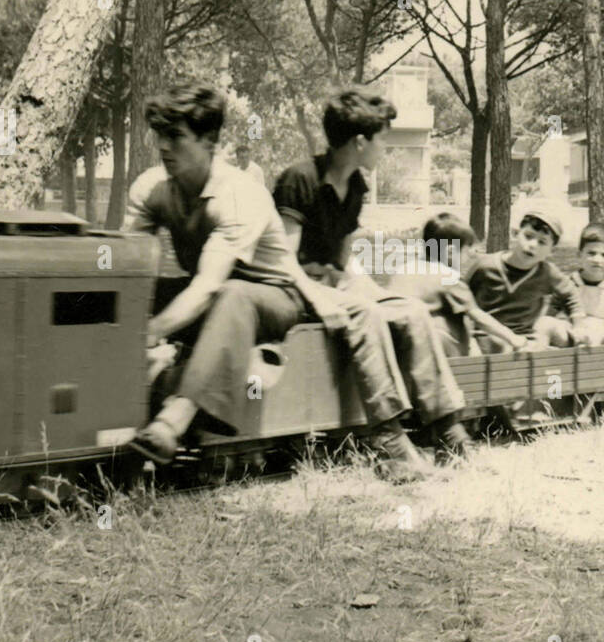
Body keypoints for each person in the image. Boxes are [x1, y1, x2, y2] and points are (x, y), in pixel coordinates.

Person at [123, 85, 437, 483]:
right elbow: (131, 266)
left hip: (275, 296)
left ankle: (175, 418)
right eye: (160, 136)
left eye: (176, 137)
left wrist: (146, 333)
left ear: (208, 141)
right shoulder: (150, 187)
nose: (164, 146)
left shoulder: (237, 195)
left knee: (230, 295)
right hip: (219, 295)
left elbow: (208, 286)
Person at [271, 87, 470, 456]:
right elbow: (282, 261)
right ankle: (388, 437)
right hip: (292, 288)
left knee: (410, 310)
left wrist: (379, 294)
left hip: (332, 285)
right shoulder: (298, 180)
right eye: (383, 140)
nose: (385, 148)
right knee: (368, 313)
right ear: (360, 142)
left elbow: (345, 261)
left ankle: (445, 425)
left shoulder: (356, 185)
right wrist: (323, 297)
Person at [387, 212, 530, 357]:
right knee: (460, 321)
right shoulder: (446, 276)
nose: (470, 256)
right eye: (467, 252)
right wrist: (514, 338)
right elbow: (477, 316)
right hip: (430, 350)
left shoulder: (405, 268)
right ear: (450, 252)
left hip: (395, 345)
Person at [464, 206, 597, 348]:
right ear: (515, 234)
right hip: (486, 335)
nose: (533, 245)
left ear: (551, 251)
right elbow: (461, 294)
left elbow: (571, 296)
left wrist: (578, 324)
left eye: (542, 242)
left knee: (551, 329)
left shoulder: (547, 272)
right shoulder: (485, 265)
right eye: (528, 236)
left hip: (525, 338)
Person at [549, 222, 604, 348]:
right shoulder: (568, 283)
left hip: (601, 334)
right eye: (591, 253)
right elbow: (551, 310)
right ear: (580, 255)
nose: (597, 260)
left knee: (599, 330)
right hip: (573, 331)